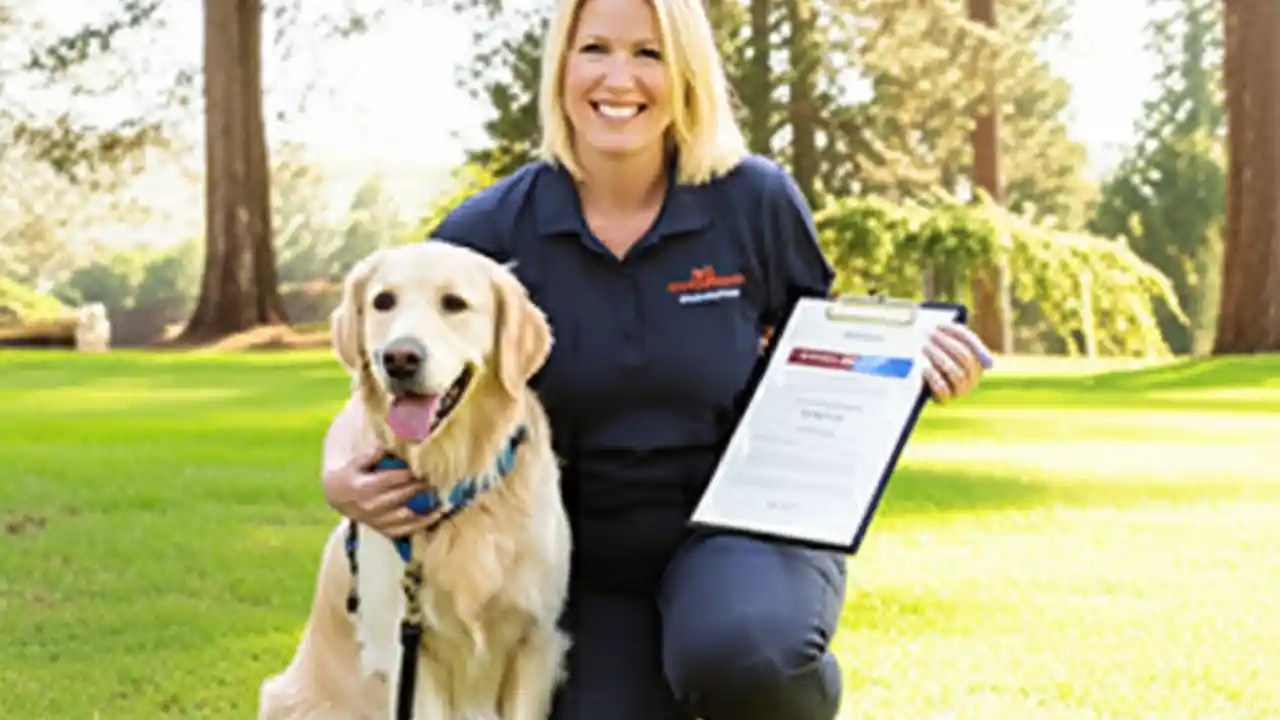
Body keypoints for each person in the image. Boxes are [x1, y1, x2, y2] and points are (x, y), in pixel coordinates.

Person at [321, 0, 991, 716]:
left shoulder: (754, 201)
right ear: (562, 66)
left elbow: (820, 346)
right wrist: (340, 472)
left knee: (747, 655)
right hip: (581, 556)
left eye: (649, 53)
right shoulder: (488, 230)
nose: (620, 77)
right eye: (596, 49)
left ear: (686, 72)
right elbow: (399, 373)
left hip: (746, 527)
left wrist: (910, 349)